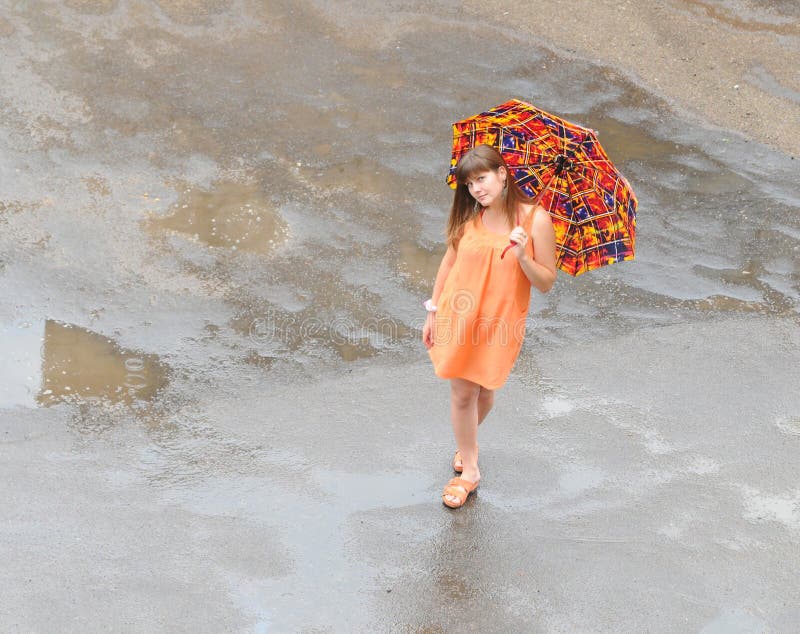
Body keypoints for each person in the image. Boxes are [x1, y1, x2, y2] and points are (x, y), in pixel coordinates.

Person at [422, 144, 557, 508]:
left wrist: (523, 256)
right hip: (458, 314)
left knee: (485, 393)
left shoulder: (535, 221)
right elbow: (449, 264)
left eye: (481, 179)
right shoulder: (470, 218)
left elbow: (545, 281)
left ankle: (466, 446)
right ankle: (470, 470)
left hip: (499, 323)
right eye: (469, 184)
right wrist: (433, 311)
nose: (476, 189)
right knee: (463, 393)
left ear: (502, 174)